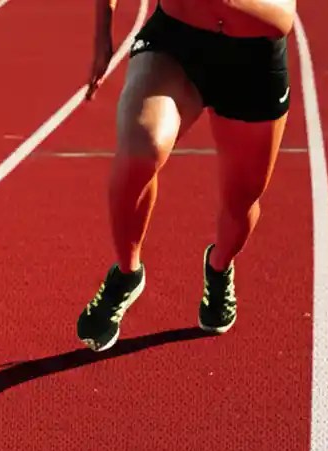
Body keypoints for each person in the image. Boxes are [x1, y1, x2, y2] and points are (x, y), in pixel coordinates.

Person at [76, 0, 297, 352]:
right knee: (140, 147)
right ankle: (127, 273)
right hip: (175, 43)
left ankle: (220, 265)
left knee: (242, 201)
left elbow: (281, 17)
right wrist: (103, 35)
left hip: (253, 62)